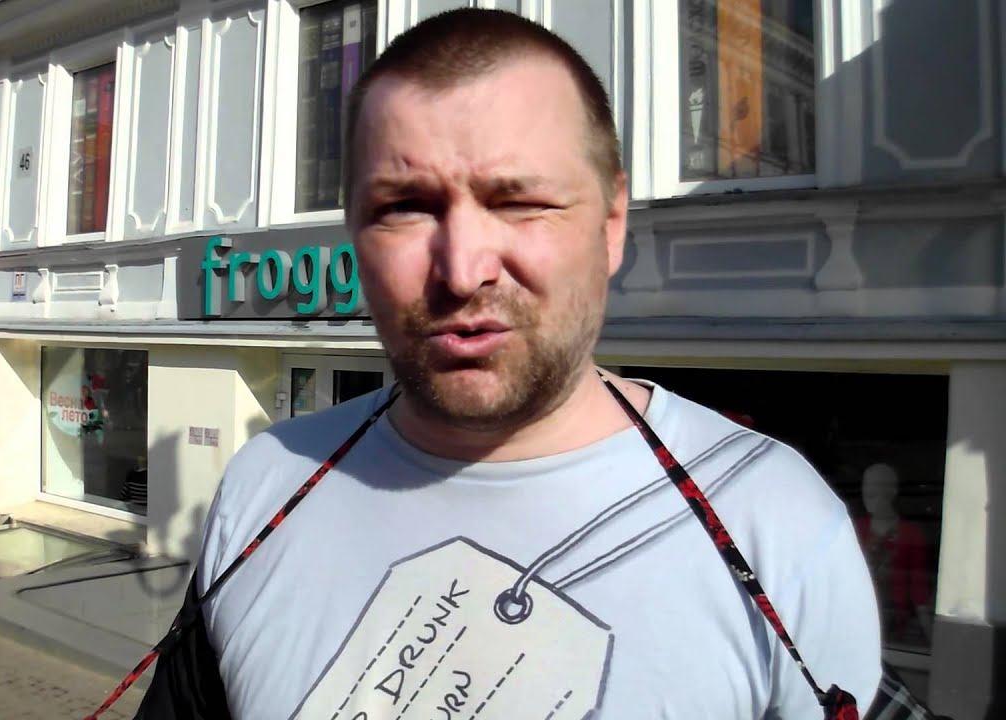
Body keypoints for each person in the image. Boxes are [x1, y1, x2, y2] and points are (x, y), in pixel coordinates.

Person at [137, 9, 880, 718]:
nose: (463, 271)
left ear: (611, 223)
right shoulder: (266, 483)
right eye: (405, 207)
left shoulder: (774, 521)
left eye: (520, 201)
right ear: (355, 233)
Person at [856, 462, 934, 645]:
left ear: (892, 492)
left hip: (893, 623)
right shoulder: (855, 529)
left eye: (875, 491)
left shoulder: (910, 534)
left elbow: (919, 589)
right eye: (866, 489)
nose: (868, 496)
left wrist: (932, 640)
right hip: (856, 616)